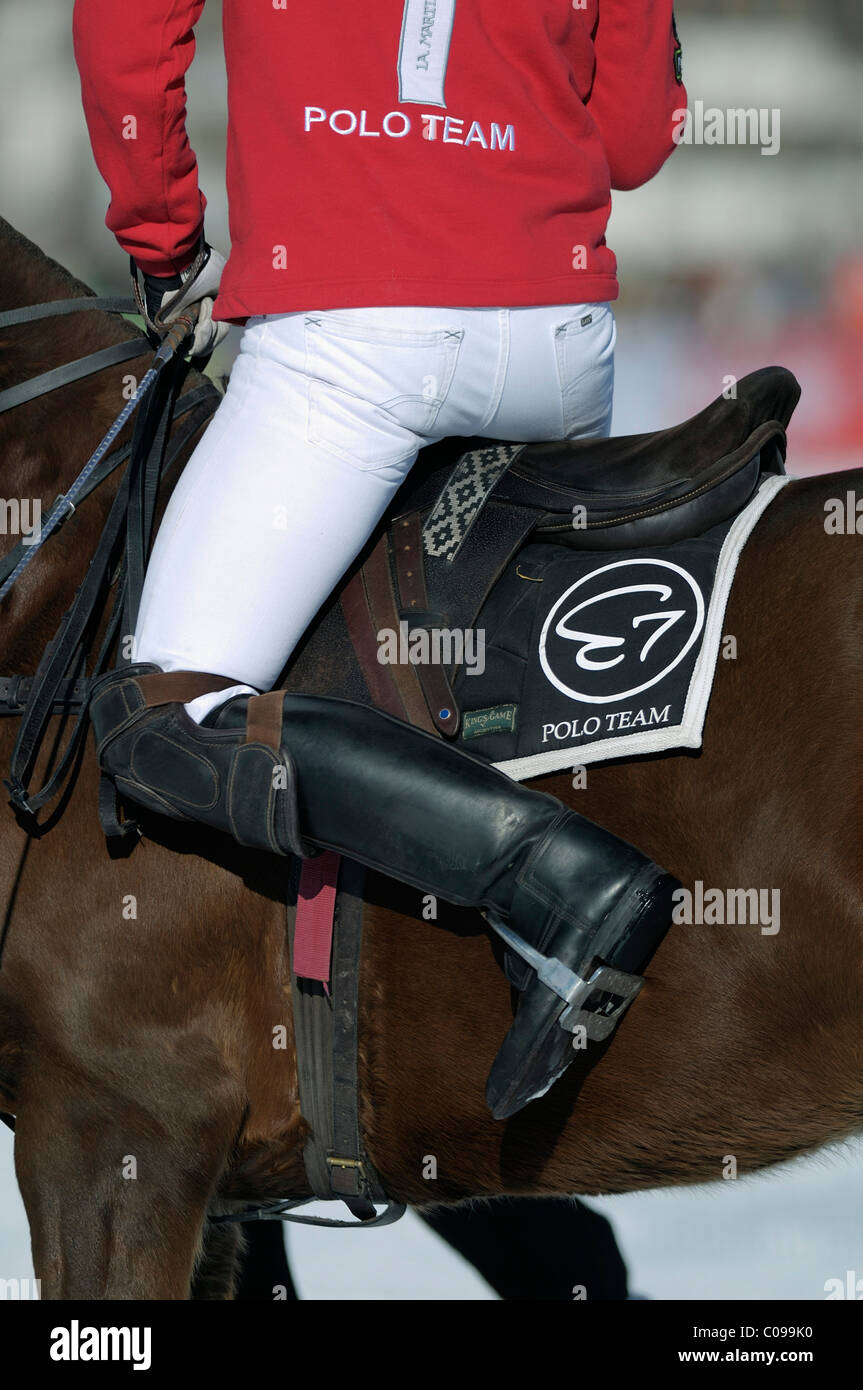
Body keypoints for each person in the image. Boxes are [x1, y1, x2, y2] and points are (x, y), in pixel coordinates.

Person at [72, 1, 687, 1119]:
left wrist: (163, 242)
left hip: (355, 332)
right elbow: (638, 138)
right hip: (560, 336)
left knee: (166, 710)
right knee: (491, 694)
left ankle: (558, 888)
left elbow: (123, 36)